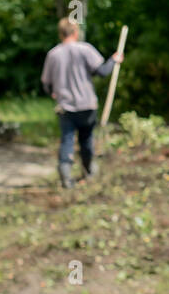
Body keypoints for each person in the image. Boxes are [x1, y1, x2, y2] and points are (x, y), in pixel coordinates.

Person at [40, 17, 122, 188]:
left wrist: (53, 93)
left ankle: (66, 175)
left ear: (60, 34)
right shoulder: (85, 49)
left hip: (65, 106)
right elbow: (102, 71)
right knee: (86, 140)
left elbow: (46, 83)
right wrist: (114, 60)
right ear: (75, 32)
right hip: (87, 105)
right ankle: (88, 170)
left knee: (67, 140)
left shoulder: (53, 54)